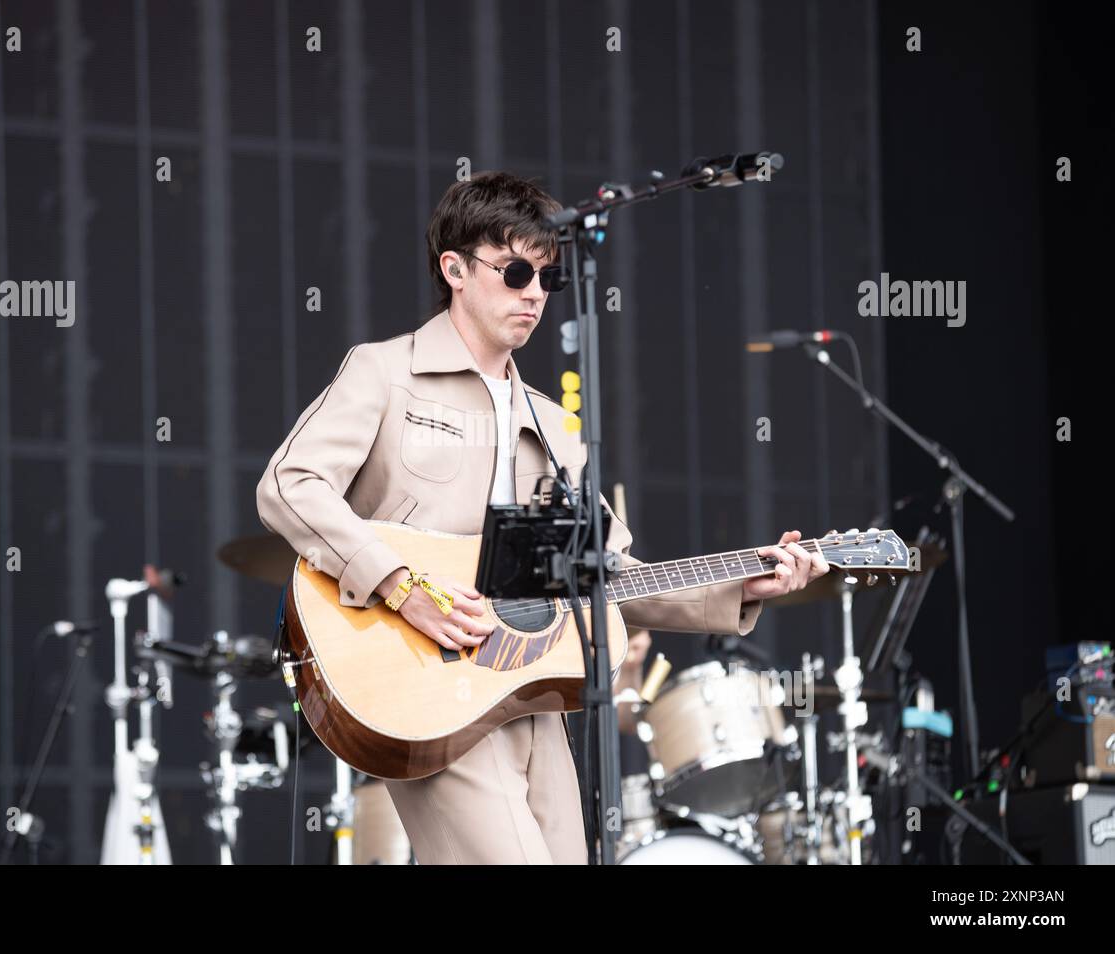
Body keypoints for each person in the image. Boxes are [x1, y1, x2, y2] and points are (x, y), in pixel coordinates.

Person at [256, 171, 828, 864]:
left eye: (547, 279)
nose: (533, 293)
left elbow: (610, 576)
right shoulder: (385, 373)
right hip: (427, 683)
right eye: (516, 270)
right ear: (455, 269)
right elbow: (290, 484)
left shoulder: (557, 427)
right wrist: (404, 588)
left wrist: (742, 585)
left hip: (530, 694)